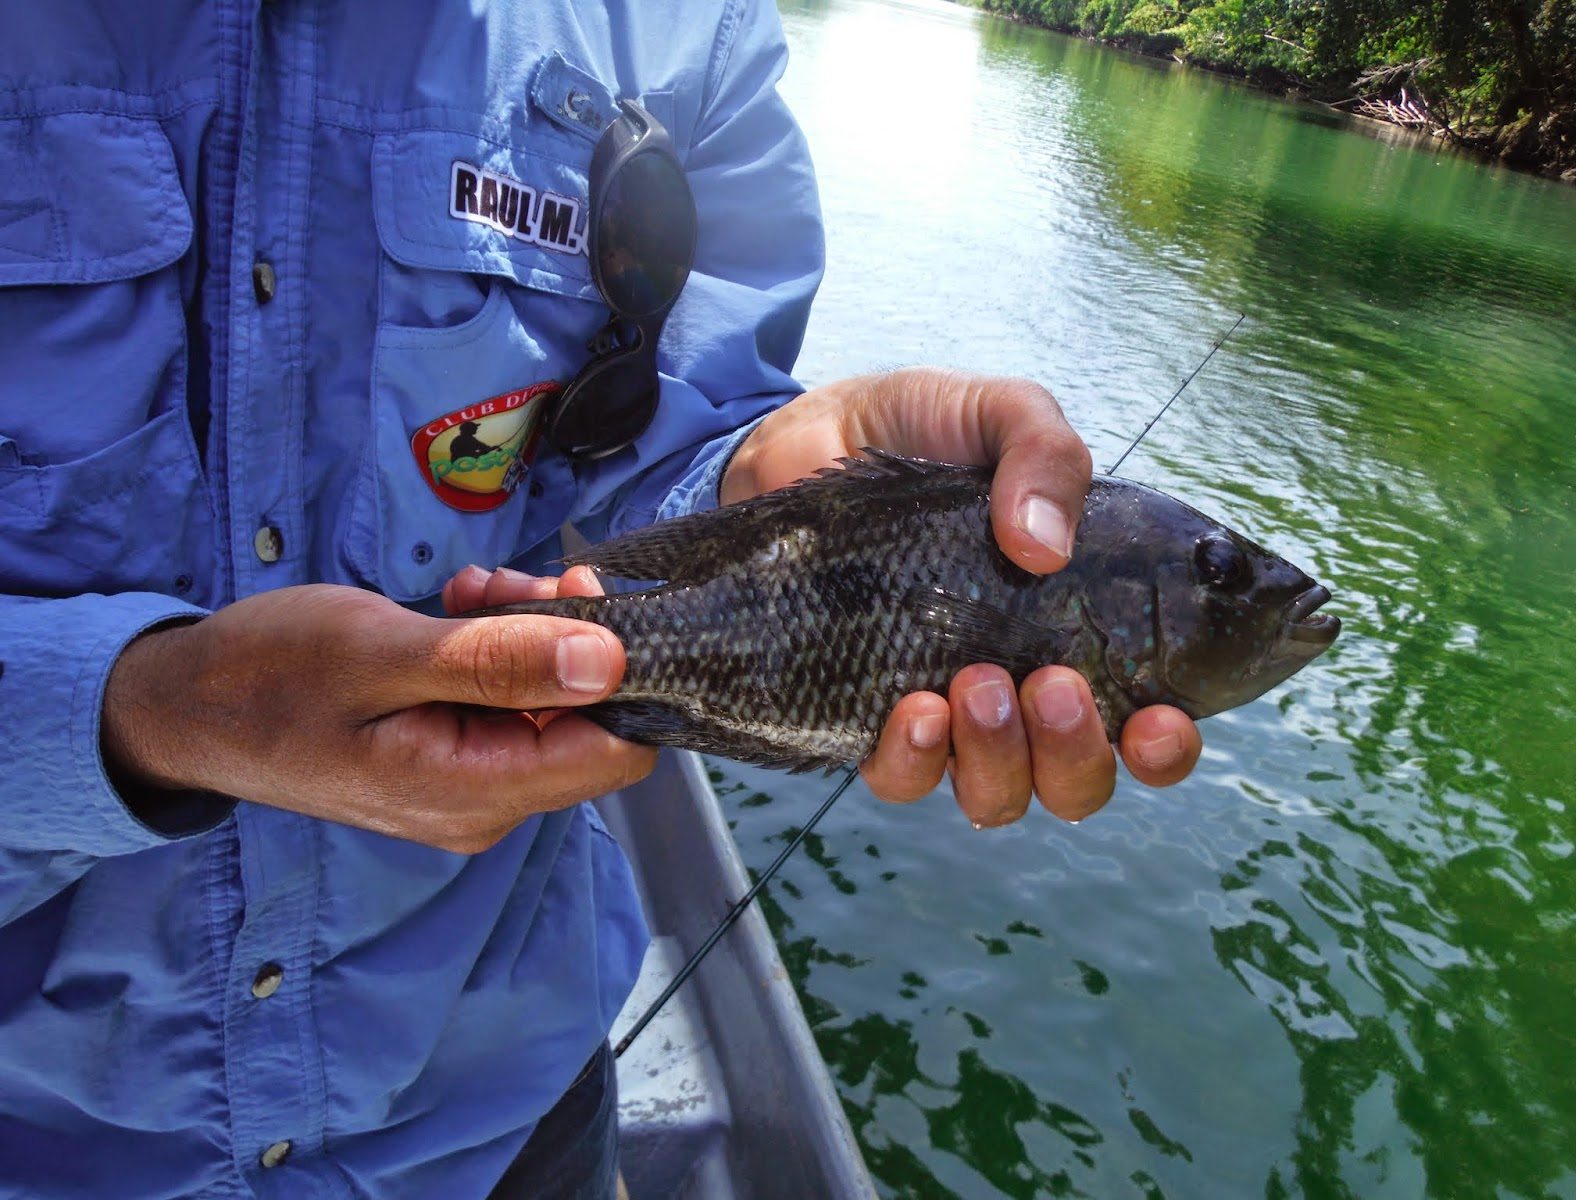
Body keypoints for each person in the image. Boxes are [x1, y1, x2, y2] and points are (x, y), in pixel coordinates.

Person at [0, 2, 1202, 1197]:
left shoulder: (687, 34)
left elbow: (669, 436)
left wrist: (756, 472)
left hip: (501, 1107)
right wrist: (147, 714)